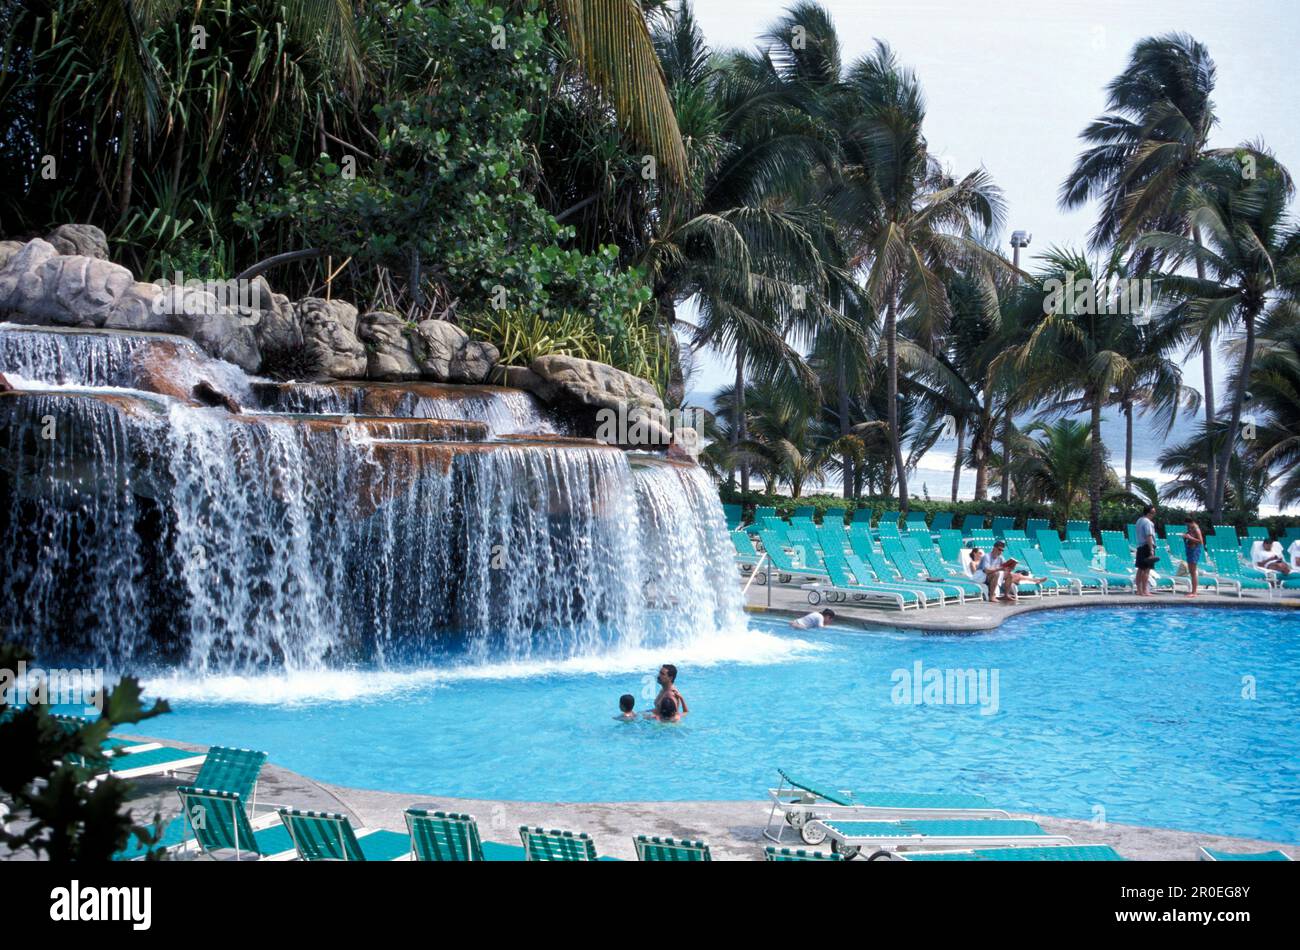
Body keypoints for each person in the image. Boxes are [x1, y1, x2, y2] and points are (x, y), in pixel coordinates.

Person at [1134, 506, 1159, 597]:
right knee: (1146, 570)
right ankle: (1145, 591)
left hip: (1140, 546)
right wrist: (1151, 549)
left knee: (1140, 569)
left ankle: (1139, 590)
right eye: (1153, 513)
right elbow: (1149, 536)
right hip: (1147, 547)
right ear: (1149, 513)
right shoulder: (1148, 522)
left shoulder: (1139, 521)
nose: (1154, 515)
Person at [1182, 521, 1204, 598]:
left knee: (1193, 572)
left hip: (1194, 551)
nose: (1187, 527)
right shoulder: (1191, 529)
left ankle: (1194, 592)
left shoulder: (1196, 529)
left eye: (1188, 525)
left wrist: (1189, 537)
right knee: (1192, 572)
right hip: (1190, 551)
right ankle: (1193, 591)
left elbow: (1201, 541)